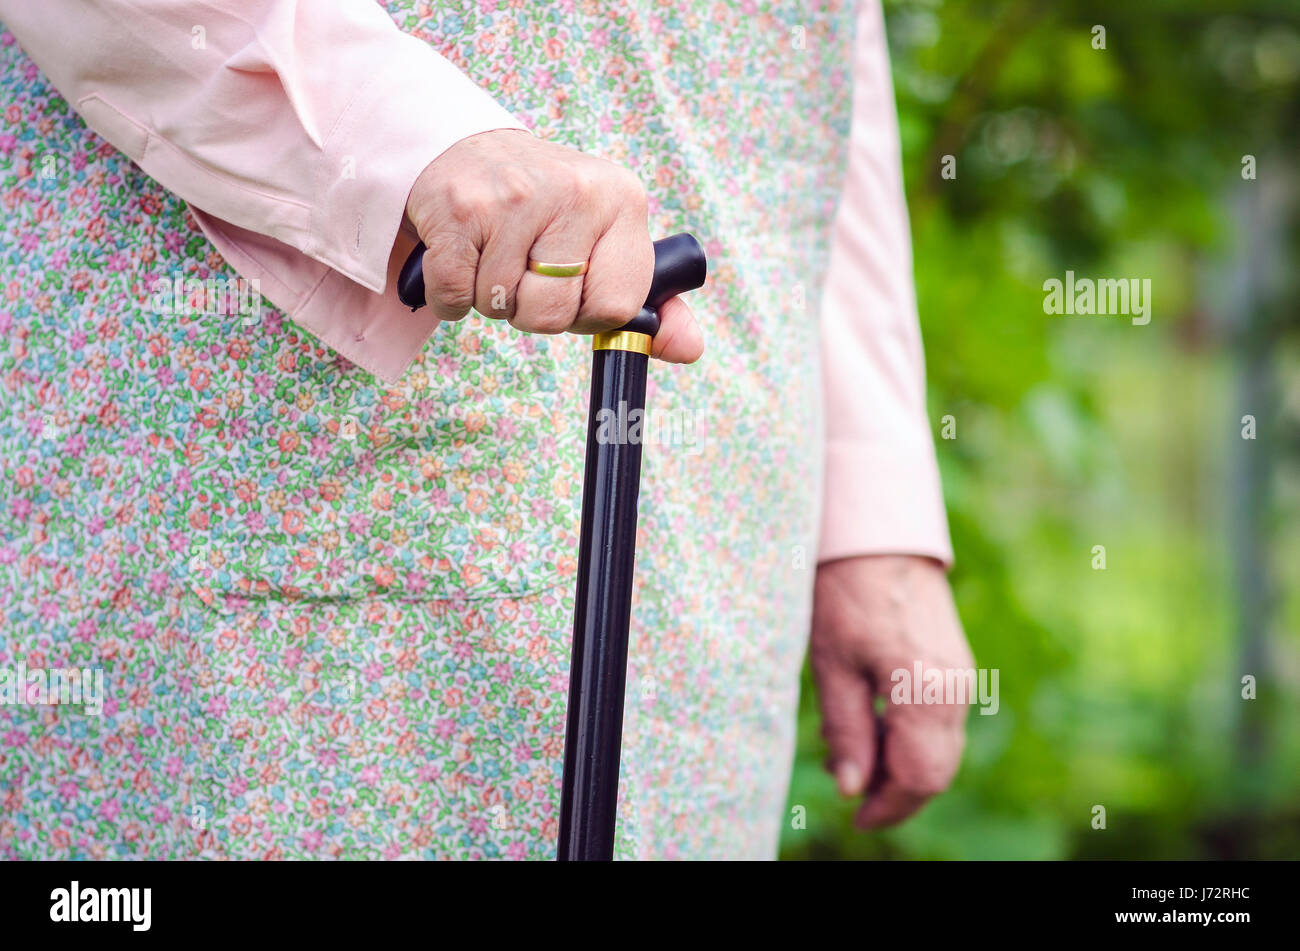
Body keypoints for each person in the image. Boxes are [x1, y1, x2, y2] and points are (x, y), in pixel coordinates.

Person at [0, 0, 972, 860]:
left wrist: (869, 504)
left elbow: (816, 73)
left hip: (715, 497)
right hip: (257, 397)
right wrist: (400, 137)